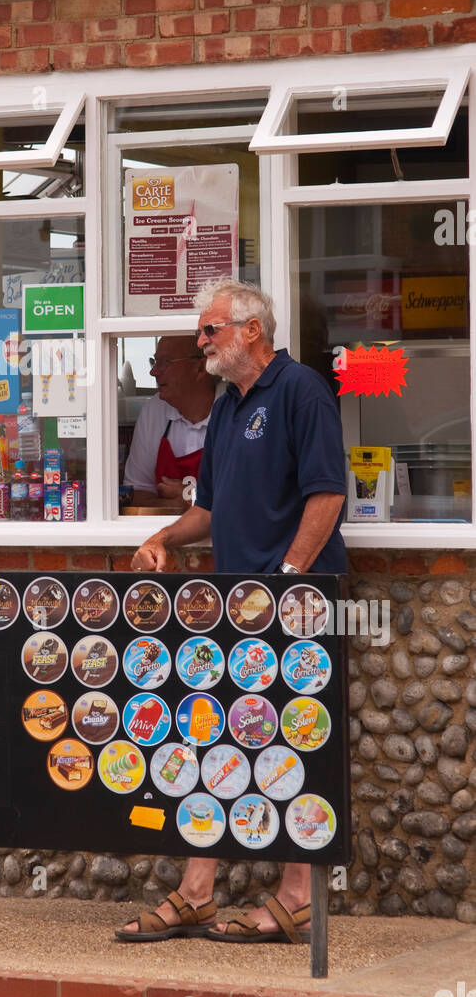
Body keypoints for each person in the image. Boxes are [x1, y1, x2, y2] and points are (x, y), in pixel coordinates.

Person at [117, 277, 346, 945]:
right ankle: (197, 892)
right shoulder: (225, 405)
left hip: (296, 607)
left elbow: (327, 494)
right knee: (213, 736)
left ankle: (297, 896)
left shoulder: (300, 390)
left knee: (293, 742)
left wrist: (289, 578)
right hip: (235, 607)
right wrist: (162, 537)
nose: (200, 342)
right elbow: (209, 511)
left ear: (250, 329)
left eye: (210, 330)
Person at [123, 335, 217, 508]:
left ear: (200, 368)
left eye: (165, 362)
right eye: (155, 362)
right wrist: (182, 504)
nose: (153, 371)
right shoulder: (155, 410)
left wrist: (191, 498)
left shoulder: (234, 410)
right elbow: (137, 494)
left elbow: (245, 497)